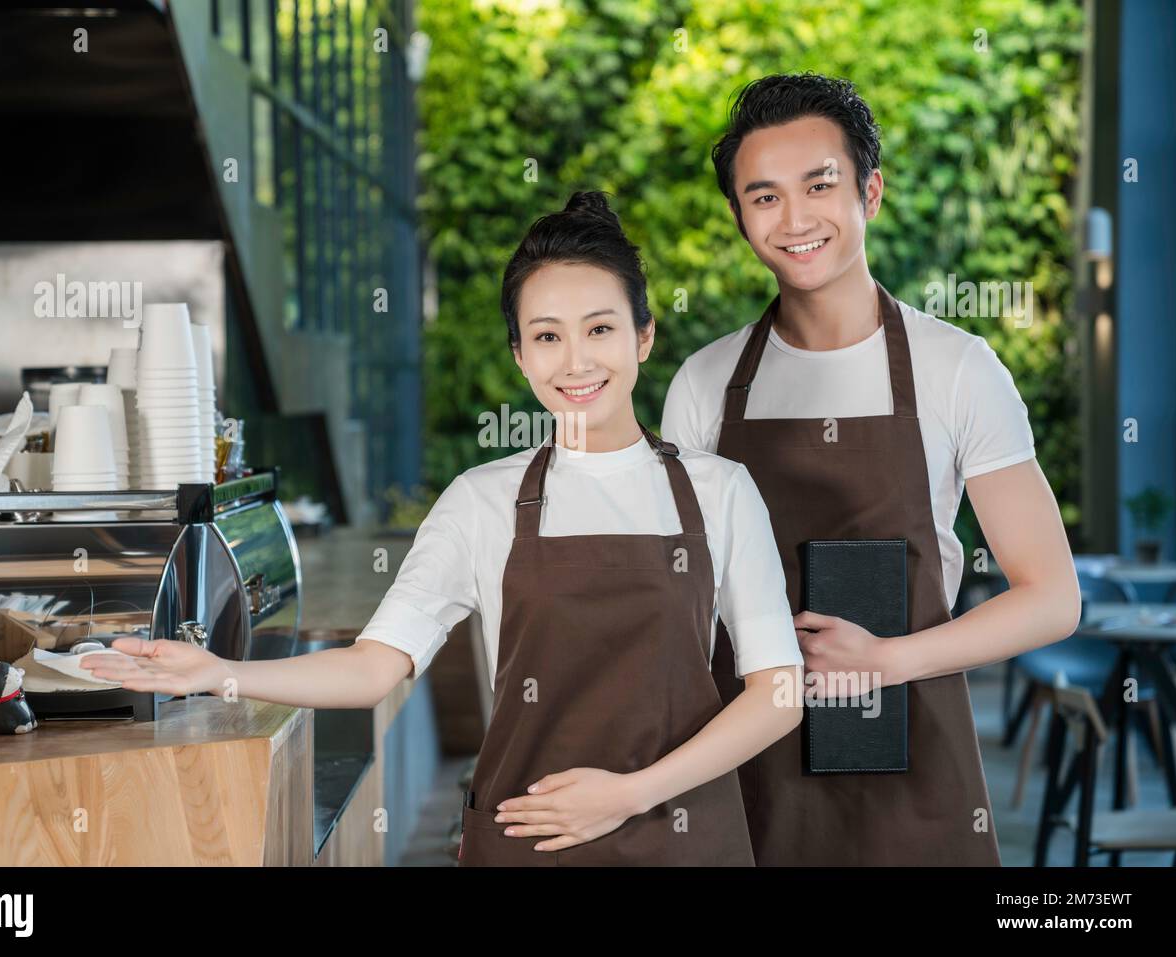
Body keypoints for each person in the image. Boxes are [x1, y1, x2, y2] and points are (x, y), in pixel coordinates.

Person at [84, 190, 804, 866]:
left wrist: (628, 793)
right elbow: (375, 667)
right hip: (530, 840)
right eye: (547, 335)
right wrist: (223, 673)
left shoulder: (719, 491)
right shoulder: (481, 501)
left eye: (601, 329)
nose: (577, 360)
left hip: (683, 838)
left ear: (645, 336)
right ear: (521, 355)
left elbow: (778, 691)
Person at [661, 73, 1082, 866]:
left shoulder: (957, 368)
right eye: (764, 197)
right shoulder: (706, 384)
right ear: (739, 216)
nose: (795, 219)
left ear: (871, 192)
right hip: (748, 767)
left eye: (820, 185)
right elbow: (682, 598)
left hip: (915, 759)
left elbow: (1053, 597)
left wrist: (886, 659)